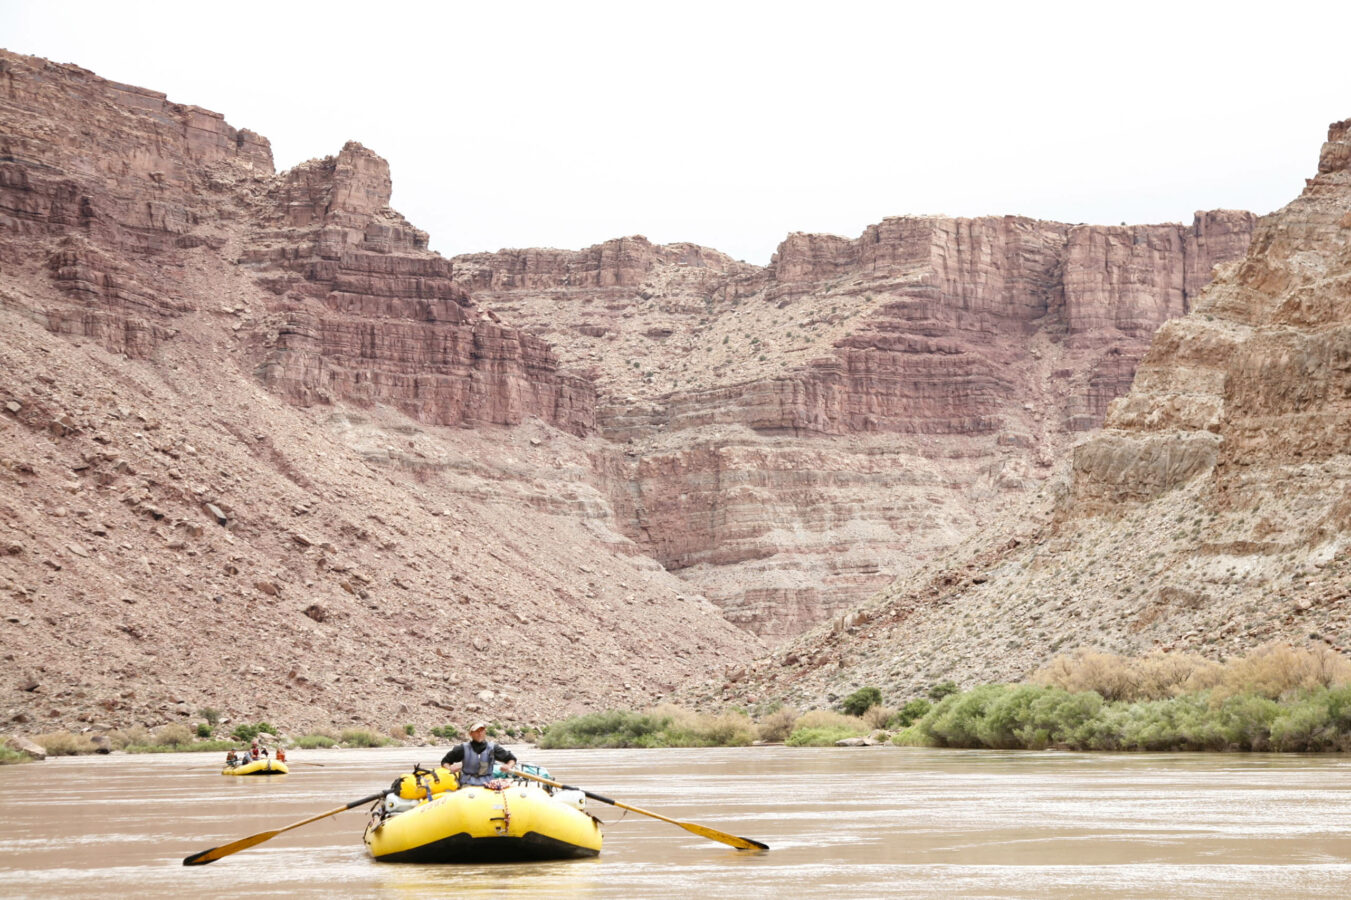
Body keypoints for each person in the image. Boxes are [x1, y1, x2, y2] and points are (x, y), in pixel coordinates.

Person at [440, 722, 516, 786]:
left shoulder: (493, 748)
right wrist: (450, 768)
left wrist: (508, 766)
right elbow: (445, 762)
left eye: (482, 731)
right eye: (476, 731)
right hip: (468, 783)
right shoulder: (462, 748)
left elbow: (512, 759)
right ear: (471, 734)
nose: (480, 733)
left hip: (488, 783)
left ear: (485, 732)